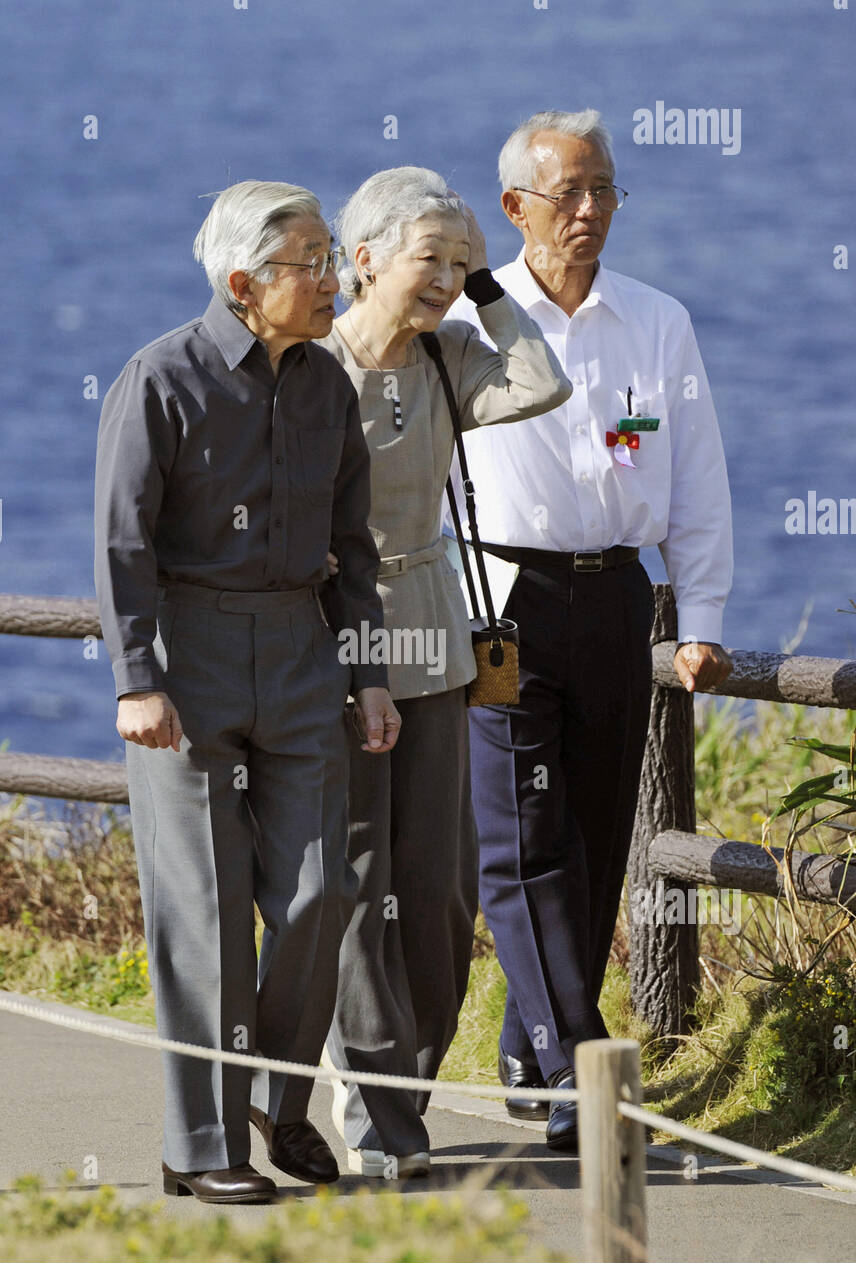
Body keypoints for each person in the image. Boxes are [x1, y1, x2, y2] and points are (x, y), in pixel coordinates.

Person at [94, 180, 400, 1204]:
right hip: (189, 659)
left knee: (323, 890)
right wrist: (137, 680)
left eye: (330, 258)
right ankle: (203, 1146)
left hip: (305, 652)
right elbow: (122, 543)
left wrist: (368, 675)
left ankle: (269, 1091)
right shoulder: (158, 379)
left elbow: (353, 548)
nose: (331, 277)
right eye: (309, 262)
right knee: (209, 915)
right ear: (241, 284)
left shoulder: (327, 386)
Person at [447, 110, 733, 1149]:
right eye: (566, 193)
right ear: (514, 207)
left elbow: (693, 475)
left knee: (598, 831)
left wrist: (696, 614)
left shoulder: (657, 321)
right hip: (499, 606)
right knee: (518, 840)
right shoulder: (465, 324)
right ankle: (581, 1072)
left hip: (616, 600)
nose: (588, 212)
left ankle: (529, 1044)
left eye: (603, 190)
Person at [320, 166, 571, 1177]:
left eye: (462, 261)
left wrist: (481, 293)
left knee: (437, 890)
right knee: (356, 876)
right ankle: (375, 1108)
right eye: (432, 257)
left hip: (432, 636)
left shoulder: (445, 354)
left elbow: (540, 384)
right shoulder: (309, 369)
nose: (447, 278)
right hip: (336, 639)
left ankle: (401, 1088)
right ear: (364, 258)